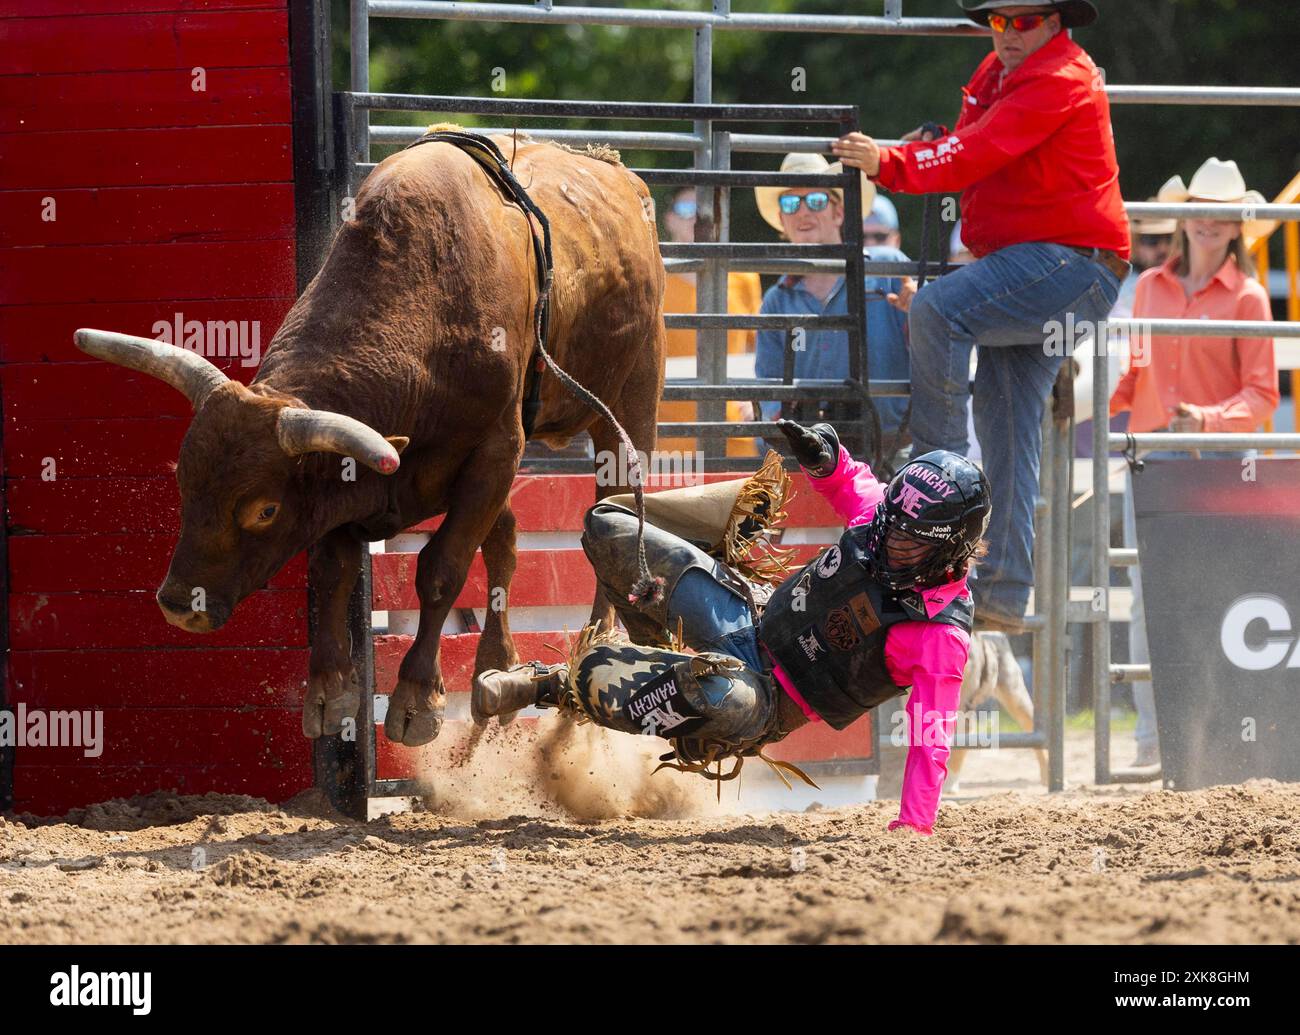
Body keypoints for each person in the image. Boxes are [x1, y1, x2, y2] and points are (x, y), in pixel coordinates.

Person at [473, 419, 992, 836]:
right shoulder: (881, 521)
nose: (892, 544)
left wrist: (914, 823)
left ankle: (547, 684)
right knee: (609, 529)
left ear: (951, 548)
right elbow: (851, 484)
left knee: (711, 687)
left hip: (762, 701)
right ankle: (661, 649)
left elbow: (931, 739)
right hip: (747, 616)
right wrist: (825, 457)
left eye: (912, 542)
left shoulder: (939, 635)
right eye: (890, 529)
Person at [831, 0, 1129, 632]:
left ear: (1055, 23)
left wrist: (892, 162)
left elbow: (980, 150)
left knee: (938, 310)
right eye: (998, 21)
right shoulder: (1015, 76)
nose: (1008, 33)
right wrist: (927, 152)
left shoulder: (1058, 79)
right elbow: (974, 149)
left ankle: (934, 488)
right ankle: (1000, 592)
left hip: (1067, 267)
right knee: (1007, 420)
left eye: (1022, 21)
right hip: (1063, 271)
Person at [1109, 157, 1279, 768]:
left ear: (1237, 226)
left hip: (1217, 461)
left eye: (1220, 214)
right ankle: (1156, 739)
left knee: (1217, 596)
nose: (1207, 223)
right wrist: (1090, 391)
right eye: (1199, 210)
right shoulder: (1149, 287)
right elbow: (1131, 376)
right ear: (1182, 218)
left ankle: (1213, 735)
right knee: (1147, 592)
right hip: (1156, 457)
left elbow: (1263, 394)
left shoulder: (1249, 297)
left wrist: (1203, 420)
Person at [752, 152, 914, 468]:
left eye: (815, 200)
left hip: (892, 449)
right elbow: (767, 389)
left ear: (839, 212)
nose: (802, 212)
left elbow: (928, 349)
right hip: (812, 458)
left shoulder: (888, 268)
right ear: (783, 221)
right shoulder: (775, 299)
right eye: (790, 204)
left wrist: (919, 307)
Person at [659, 185, 761, 457]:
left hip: (736, 438)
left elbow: (758, 349)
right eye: (686, 210)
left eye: (706, 210)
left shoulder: (744, 278)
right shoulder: (650, 281)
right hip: (665, 440)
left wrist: (759, 402)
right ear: (669, 220)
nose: (697, 218)